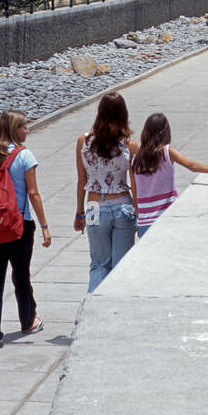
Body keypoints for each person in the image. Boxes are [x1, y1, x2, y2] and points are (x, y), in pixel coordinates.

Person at [0, 110, 50, 348]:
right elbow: (34, 193)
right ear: (14, 129)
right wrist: (45, 226)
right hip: (19, 225)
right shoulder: (24, 156)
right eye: (24, 126)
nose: (27, 130)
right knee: (21, 275)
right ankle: (28, 320)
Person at [132, 113, 208, 238]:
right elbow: (191, 165)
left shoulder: (134, 159)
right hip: (165, 219)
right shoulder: (167, 151)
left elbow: (135, 194)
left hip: (144, 223)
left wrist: (140, 220)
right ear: (165, 132)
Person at [75, 92, 138, 292]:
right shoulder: (129, 144)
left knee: (99, 264)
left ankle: (90, 307)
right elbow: (135, 183)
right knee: (121, 266)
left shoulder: (83, 142)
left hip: (94, 206)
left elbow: (82, 180)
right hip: (122, 204)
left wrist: (79, 212)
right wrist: (139, 210)